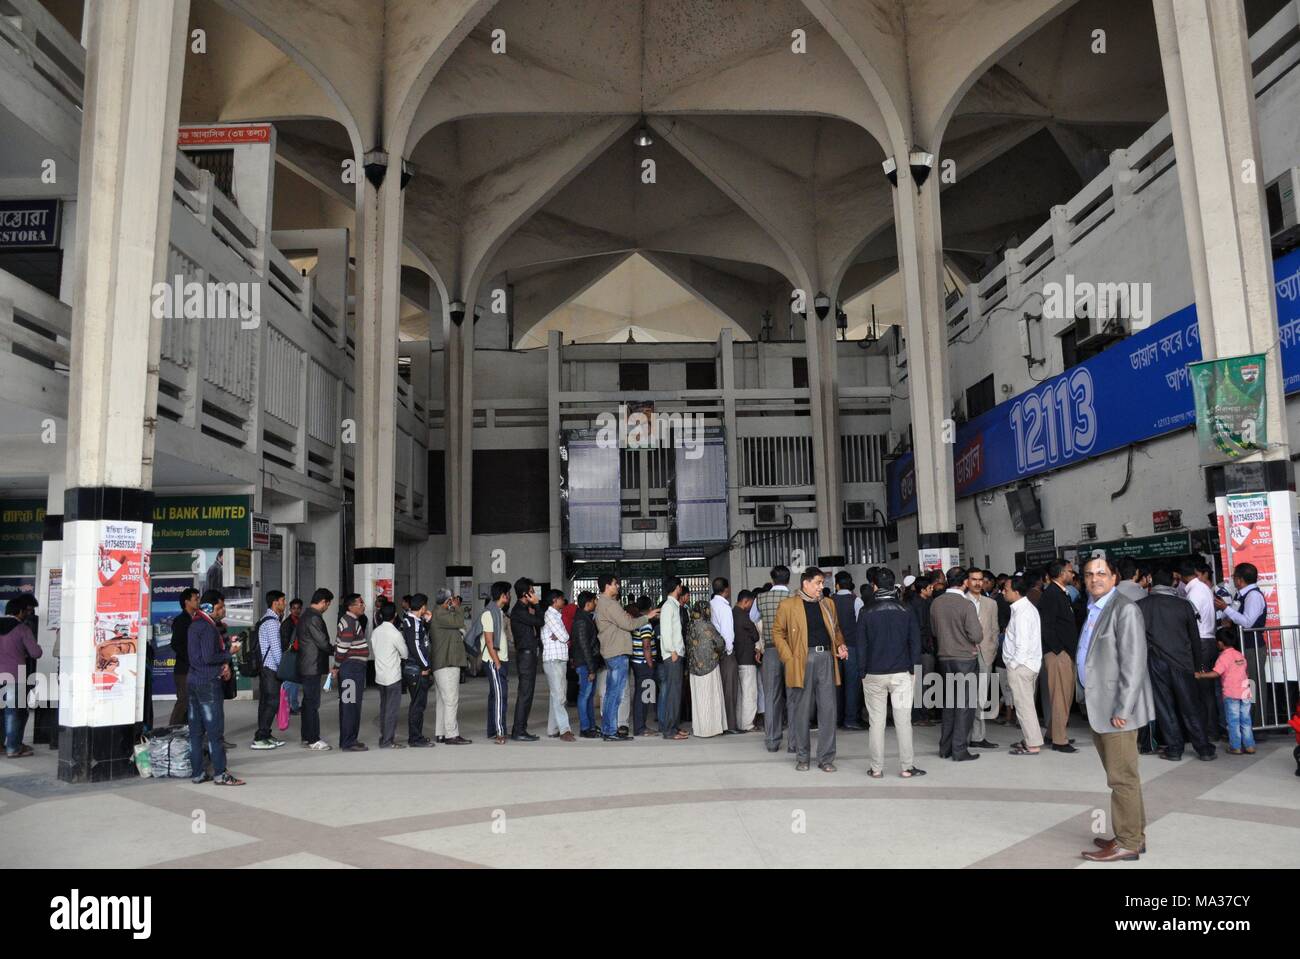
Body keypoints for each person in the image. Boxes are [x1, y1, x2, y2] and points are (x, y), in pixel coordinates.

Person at [1077, 555, 1154, 862]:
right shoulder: (1097, 607)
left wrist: (1123, 707)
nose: (1095, 579)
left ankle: (1128, 842)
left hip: (1117, 710)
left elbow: (1134, 663)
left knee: (1121, 778)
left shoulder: (1125, 609)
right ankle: (1133, 834)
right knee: (1121, 776)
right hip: (1101, 706)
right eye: (1089, 574)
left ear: (1113, 577)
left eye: (1101, 574)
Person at [771, 567, 847, 773]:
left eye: (822, 583)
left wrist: (840, 644)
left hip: (825, 659)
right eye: (818, 583)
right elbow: (777, 633)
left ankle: (826, 758)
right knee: (802, 711)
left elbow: (836, 629)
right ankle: (802, 756)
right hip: (801, 660)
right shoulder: (788, 605)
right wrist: (789, 657)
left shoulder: (828, 604)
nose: (821, 587)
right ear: (805, 583)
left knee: (828, 710)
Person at [1137, 567, 1215, 762]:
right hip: (1183, 662)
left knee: (1165, 706)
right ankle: (1203, 748)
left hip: (1155, 662)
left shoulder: (1140, 606)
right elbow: (1195, 639)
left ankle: (1174, 749)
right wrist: (1198, 666)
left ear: (1151, 581)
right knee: (1190, 706)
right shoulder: (1184, 605)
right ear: (1173, 582)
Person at [859, 569, 924, 778]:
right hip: (902, 672)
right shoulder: (905, 609)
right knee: (903, 721)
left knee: (876, 722)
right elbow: (915, 641)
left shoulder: (866, 611)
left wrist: (862, 671)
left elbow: (861, 645)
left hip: (873, 673)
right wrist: (913, 667)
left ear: (874, 586)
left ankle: (876, 769)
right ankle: (907, 767)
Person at [187, 590, 244, 785]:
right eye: (220, 607)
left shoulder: (195, 624)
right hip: (208, 683)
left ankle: (198, 773)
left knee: (195, 732)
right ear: (210, 608)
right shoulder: (208, 627)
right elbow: (209, 657)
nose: (223, 610)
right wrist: (230, 653)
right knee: (215, 731)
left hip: (193, 681)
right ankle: (221, 773)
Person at [594, 573, 657, 742]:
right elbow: (628, 624)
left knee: (611, 694)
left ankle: (609, 730)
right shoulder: (610, 604)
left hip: (612, 651)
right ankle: (610, 731)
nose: (618, 586)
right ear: (607, 585)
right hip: (617, 653)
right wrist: (647, 617)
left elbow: (624, 621)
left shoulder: (603, 603)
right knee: (615, 694)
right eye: (615, 584)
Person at [929, 566, 984, 762]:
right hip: (964, 659)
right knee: (965, 705)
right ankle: (959, 749)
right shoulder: (966, 605)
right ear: (965, 582)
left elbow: (934, 632)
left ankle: (945, 747)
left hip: (944, 658)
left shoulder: (936, 603)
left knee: (949, 704)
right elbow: (977, 635)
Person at [1213, 563, 1267, 729]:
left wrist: (1226, 609)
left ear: (1240, 579)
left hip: (1252, 647)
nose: (1233, 580)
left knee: (1252, 685)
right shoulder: (1241, 595)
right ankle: (1248, 725)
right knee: (1244, 686)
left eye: (1234, 577)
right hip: (1242, 647)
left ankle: (1257, 725)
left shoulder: (1253, 596)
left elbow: (1248, 622)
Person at [1038, 559, 1079, 753]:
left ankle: (1053, 733)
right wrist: (1058, 650)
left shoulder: (1061, 593)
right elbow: (1047, 626)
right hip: (1058, 654)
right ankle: (1060, 741)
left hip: (1064, 653)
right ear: (1062, 573)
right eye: (1071, 571)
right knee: (1060, 697)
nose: (1073, 574)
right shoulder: (1052, 594)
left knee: (1064, 695)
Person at [1001, 574, 1044, 756]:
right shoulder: (1024, 609)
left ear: (1016, 592)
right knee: (1026, 705)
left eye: (1006, 589)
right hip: (1028, 665)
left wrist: (1013, 664)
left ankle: (1032, 744)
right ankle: (1030, 739)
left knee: (1024, 706)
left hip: (1021, 667)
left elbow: (1022, 645)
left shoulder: (1023, 613)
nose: (1003, 592)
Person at [1196, 633, 1254, 755]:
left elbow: (1216, 673)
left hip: (1231, 693)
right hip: (1246, 692)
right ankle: (1249, 746)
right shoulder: (1240, 654)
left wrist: (1201, 675)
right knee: (1246, 720)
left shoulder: (1223, 657)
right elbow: (1246, 672)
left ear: (1220, 643)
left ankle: (1236, 747)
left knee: (1233, 721)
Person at [755, 565, 792, 752]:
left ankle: (772, 740)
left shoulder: (761, 598)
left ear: (772, 580)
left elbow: (754, 618)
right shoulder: (795, 598)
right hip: (791, 652)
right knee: (794, 696)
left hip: (770, 650)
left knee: (771, 696)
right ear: (789, 579)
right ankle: (794, 741)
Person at [0, 598, 41, 758]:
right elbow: (36, 653)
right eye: (28, 611)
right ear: (19, 611)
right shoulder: (22, 629)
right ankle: (13, 747)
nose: (28, 614)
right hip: (15, 676)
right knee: (14, 712)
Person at [294, 588, 334, 750]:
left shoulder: (305, 615)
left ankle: (306, 735)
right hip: (312, 665)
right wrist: (336, 650)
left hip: (306, 664)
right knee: (312, 703)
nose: (327, 607)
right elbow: (322, 642)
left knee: (307, 702)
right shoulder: (314, 618)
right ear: (323, 601)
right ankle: (313, 739)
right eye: (328, 604)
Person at [965, 569, 1000, 750]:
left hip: (985, 654)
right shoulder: (961, 601)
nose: (978, 583)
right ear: (967, 581)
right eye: (974, 580)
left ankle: (978, 736)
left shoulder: (991, 603)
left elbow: (995, 629)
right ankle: (965, 735)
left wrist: (992, 650)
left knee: (980, 696)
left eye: (981, 580)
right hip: (965, 654)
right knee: (964, 696)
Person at [430, 589, 471, 744]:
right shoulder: (441, 614)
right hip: (447, 663)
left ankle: (441, 732)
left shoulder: (440, 613)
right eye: (452, 600)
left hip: (443, 663)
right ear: (447, 601)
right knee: (451, 700)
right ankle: (451, 734)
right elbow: (460, 622)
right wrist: (458, 607)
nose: (454, 602)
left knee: (443, 700)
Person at [508, 578, 544, 742]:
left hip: (529, 654)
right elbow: (540, 621)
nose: (534, 593)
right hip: (526, 655)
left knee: (527, 693)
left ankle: (521, 728)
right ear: (525, 594)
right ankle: (518, 730)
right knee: (525, 694)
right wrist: (536, 605)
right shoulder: (519, 611)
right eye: (532, 590)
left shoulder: (524, 609)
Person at [251, 590, 288, 749]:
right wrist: (283, 669)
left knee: (266, 702)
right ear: (275, 603)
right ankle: (260, 738)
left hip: (266, 667)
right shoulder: (272, 623)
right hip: (271, 668)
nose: (284, 604)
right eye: (283, 601)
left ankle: (265, 734)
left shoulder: (267, 619)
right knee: (272, 702)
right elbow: (276, 649)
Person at [686, 599, 728, 737]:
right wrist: (718, 653)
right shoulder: (707, 625)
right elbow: (720, 642)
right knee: (711, 697)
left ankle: (700, 729)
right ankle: (711, 729)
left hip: (694, 667)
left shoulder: (690, 625)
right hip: (709, 666)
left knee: (699, 699)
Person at [334, 593, 369, 752]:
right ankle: (348, 742)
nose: (363, 606)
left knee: (352, 704)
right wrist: (336, 665)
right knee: (350, 705)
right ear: (351, 606)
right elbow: (342, 647)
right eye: (360, 603)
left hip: (353, 668)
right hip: (351, 669)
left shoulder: (351, 621)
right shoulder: (349, 622)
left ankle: (350, 739)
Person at [370, 600, 407, 749]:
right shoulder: (395, 633)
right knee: (392, 709)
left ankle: (383, 736)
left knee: (384, 707)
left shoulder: (376, 632)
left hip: (380, 675)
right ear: (395, 615)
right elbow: (404, 653)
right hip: (393, 676)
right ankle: (388, 741)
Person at [540, 588, 575, 741]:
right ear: (555, 600)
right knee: (560, 696)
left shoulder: (557, 616)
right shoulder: (550, 615)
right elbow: (565, 635)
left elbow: (562, 636)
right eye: (561, 599)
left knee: (556, 695)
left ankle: (552, 729)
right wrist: (563, 636)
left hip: (560, 659)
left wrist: (561, 636)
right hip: (553, 660)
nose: (563, 601)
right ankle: (564, 730)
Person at [832, 571, 865, 730]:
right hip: (852, 647)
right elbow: (861, 625)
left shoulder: (828, 601)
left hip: (834, 649)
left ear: (836, 584)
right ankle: (851, 719)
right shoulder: (857, 601)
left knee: (836, 684)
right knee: (853, 684)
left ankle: (837, 717)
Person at [401, 593, 435, 747]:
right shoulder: (413, 623)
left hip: (413, 667)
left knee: (418, 704)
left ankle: (417, 735)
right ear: (422, 607)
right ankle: (415, 738)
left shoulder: (411, 620)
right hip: (416, 669)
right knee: (417, 705)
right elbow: (416, 647)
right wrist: (425, 666)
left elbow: (422, 638)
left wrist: (427, 621)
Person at [709, 577, 742, 734]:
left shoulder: (711, 604)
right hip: (726, 654)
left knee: (719, 690)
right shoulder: (725, 608)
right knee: (730, 690)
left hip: (713, 653)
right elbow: (728, 632)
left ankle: (721, 724)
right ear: (726, 590)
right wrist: (729, 652)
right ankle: (730, 725)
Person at [657, 577, 689, 741]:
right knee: (673, 694)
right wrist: (672, 651)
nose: (681, 588)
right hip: (672, 656)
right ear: (677, 588)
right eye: (681, 586)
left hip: (676, 654)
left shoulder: (674, 606)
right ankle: (669, 730)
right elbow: (666, 631)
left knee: (676, 693)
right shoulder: (668, 606)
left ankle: (674, 726)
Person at [481, 582, 512, 744]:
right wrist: (497, 662)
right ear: (503, 595)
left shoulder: (499, 612)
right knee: (501, 695)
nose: (510, 596)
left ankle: (492, 730)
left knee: (495, 695)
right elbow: (488, 640)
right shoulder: (489, 613)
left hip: (501, 660)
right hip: (494, 661)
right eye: (508, 593)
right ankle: (500, 732)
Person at [167, 587, 199, 725]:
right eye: (195, 599)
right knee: (184, 701)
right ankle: (172, 731)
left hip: (196, 668)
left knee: (194, 702)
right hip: (184, 669)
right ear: (187, 602)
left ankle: (187, 732)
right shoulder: (181, 620)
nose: (198, 601)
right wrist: (191, 658)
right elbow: (176, 644)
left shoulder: (197, 619)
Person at [630, 596, 659, 737]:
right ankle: (641, 728)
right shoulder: (646, 624)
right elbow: (646, 645)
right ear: (650, 608)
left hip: (637, 662)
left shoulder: (636, 621)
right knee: (644, 696)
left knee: (640, 695)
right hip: (643, 664)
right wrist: (651, 664)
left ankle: (639, 726)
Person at [733, 590, 760, 732]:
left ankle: (740, 722)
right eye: (750, 603)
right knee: (749, 694)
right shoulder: (744, 616)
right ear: (745, 601)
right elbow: (755, 636)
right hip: (747, 659)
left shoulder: (732, 613)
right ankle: (748, 724)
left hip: (736, 658)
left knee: (740, 695)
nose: (751, 607)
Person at [279, 598, 303, 714]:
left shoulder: (300, 621)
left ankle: (293, 705)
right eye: (294, 608)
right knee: (289, 682)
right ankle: (287, 706)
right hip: (290, 656)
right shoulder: (287, 624)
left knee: (296, 682)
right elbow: (284, 642)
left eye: (298, 608)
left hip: (298, 655)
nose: (296, 610)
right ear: (290, 609)